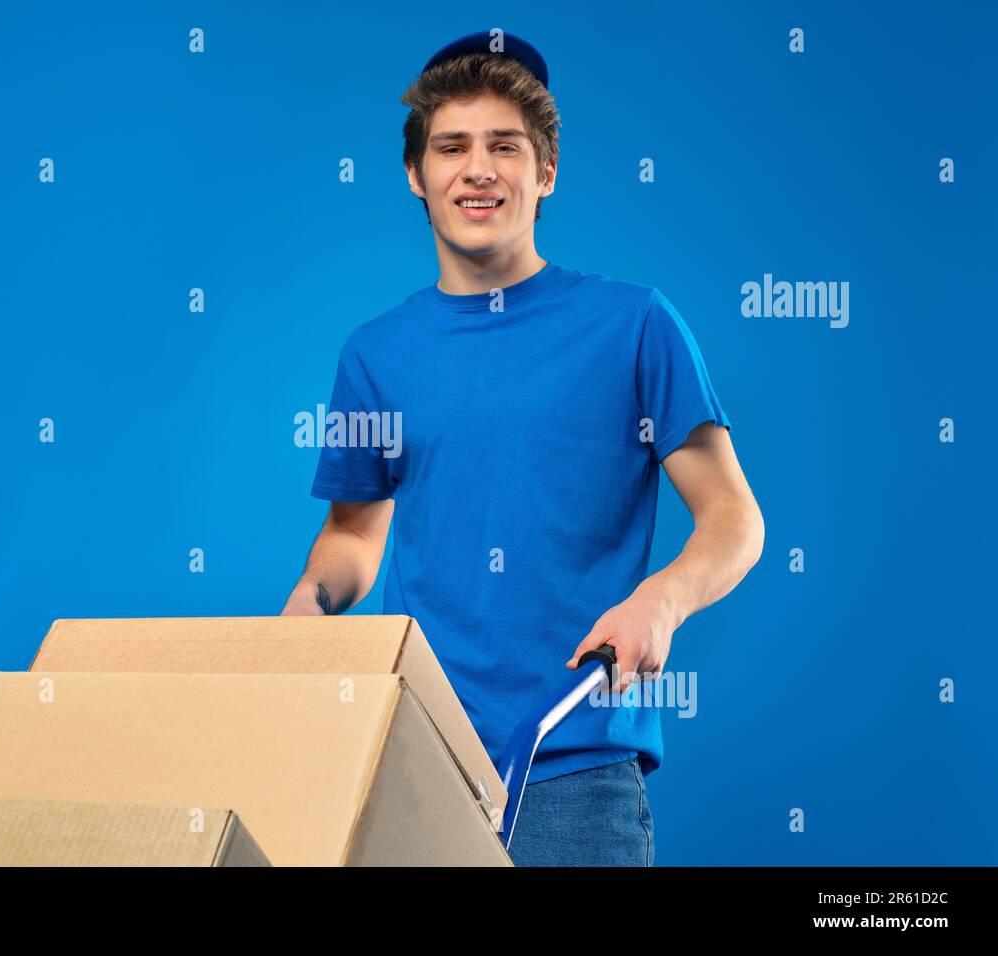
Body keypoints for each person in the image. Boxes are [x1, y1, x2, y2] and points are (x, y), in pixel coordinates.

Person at [281, 31, 764, 866]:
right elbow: (355, 533)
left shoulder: (635, 324)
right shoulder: (376, 353)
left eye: (506, 147)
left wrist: (662, 601)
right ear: (416, 176)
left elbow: (732, 516)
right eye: (451, 147)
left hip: (573, 779)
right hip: (410, 760)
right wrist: (309, 606)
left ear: (544, 174)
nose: (478, 169)